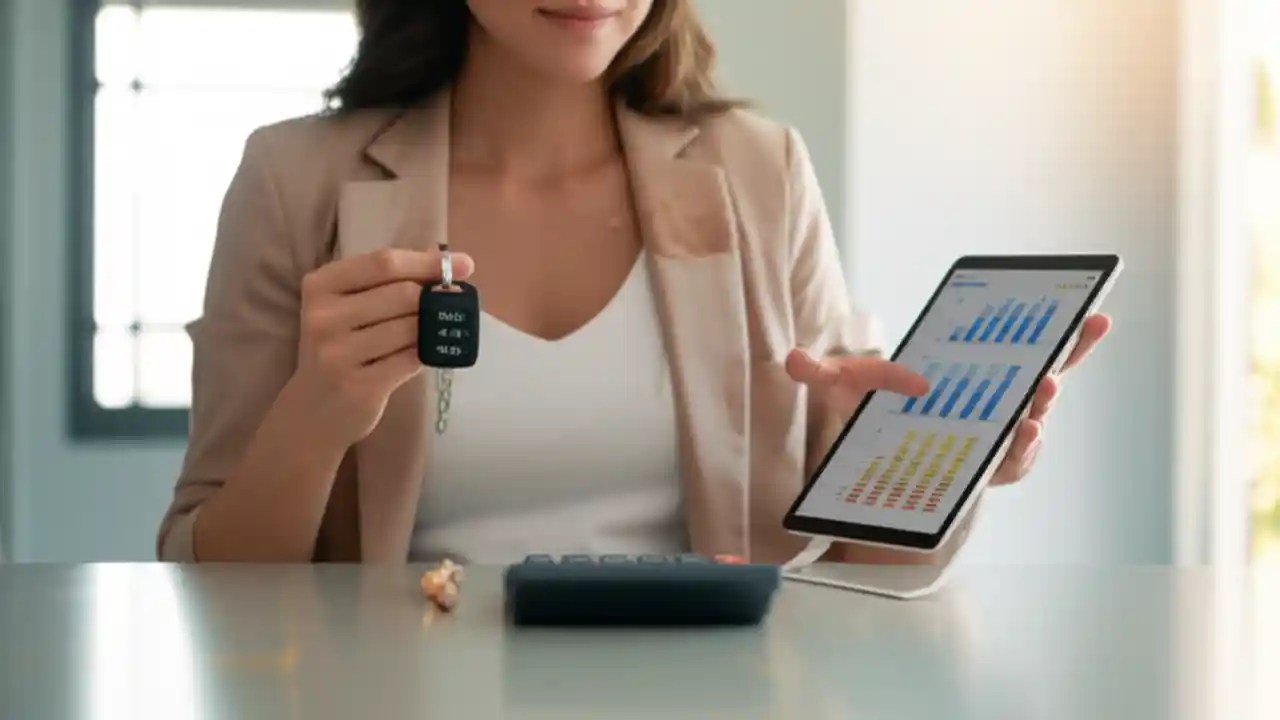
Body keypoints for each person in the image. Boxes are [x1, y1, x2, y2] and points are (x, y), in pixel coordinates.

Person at [157, 0, 1110, 564]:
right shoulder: (296, 181)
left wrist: (946, 463)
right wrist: (320, 410)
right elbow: (208, 569)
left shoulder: (759, 172)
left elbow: (853, 564)